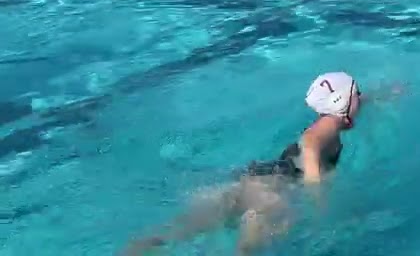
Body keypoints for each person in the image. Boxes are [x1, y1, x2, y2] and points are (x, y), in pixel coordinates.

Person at [124, 73, 365, 255]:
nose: (362, 97)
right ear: (341, 101)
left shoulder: (332, 115)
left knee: (173, 232)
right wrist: (318, 195)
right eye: (358, 93)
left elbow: (350, 106)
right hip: (275, 191)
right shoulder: (328, 128)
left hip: (254, 177)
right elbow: (310, 143)